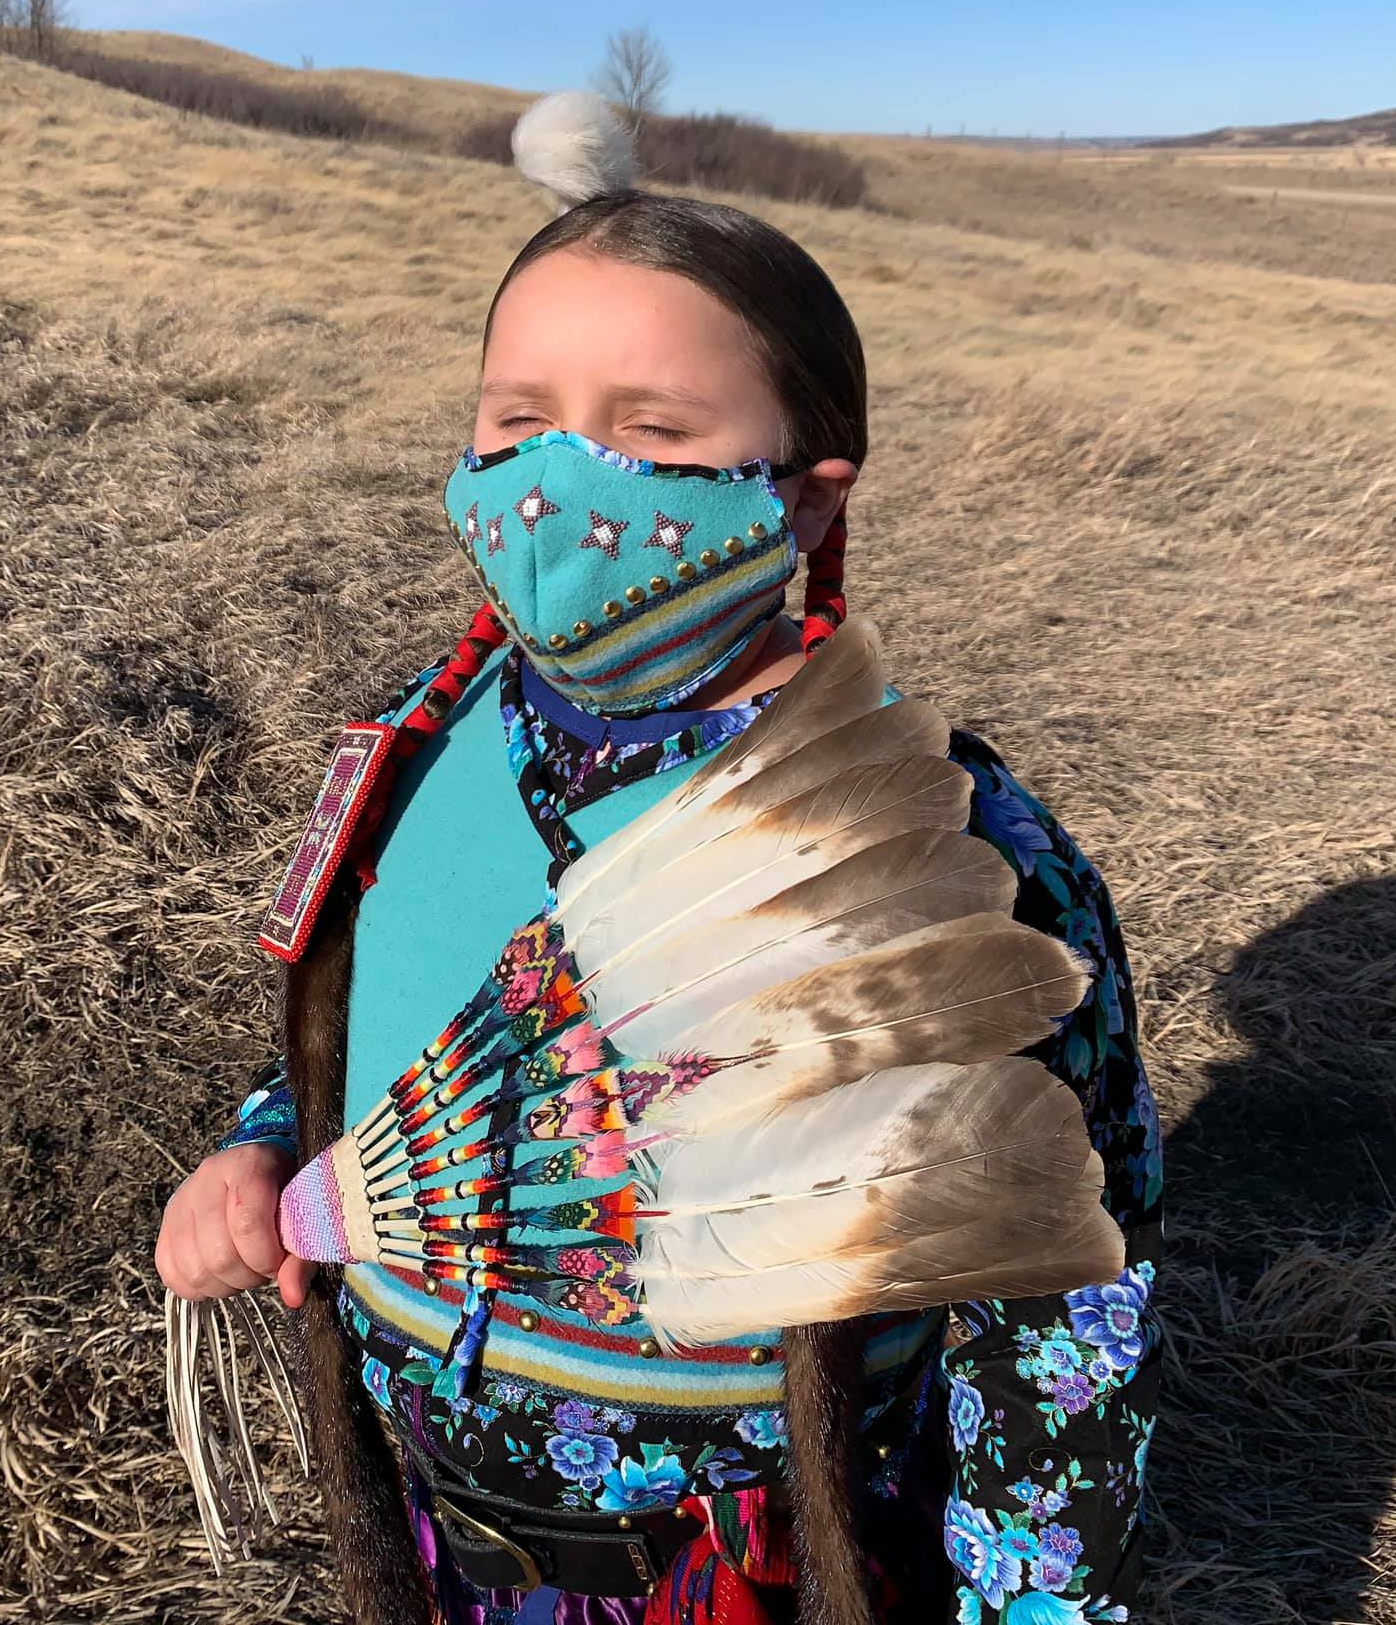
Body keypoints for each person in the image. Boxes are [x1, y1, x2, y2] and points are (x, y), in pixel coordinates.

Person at [157, 95, 1163, 1625]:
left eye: (653, 431)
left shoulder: (937, 849)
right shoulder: (417, 748)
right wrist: (260, 1153)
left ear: (805, 494)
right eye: (515, 422)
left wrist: (1033, 1602)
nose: (559, 485)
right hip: (446, 1534)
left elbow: (1057, 1296)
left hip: (753, 1564)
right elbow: (374, 1037)